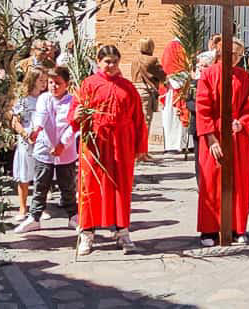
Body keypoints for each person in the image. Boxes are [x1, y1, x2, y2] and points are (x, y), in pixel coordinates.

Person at [69, 45, 147, 256]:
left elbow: (138, 119)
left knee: (121, 189)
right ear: (98, 61)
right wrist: (77, 115)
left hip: (121, 144)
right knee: (90, 187)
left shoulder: (128, 88)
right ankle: (87, 233)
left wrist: (140, 147)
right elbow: (74, 116)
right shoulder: (87, 85)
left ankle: (122, 231)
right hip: (95, 143)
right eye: (107, 62)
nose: (111, 66)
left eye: (114, 61)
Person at [196, 38, 249, 247]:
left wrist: (242, 123)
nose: (236, 58)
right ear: (221, 53)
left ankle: (237, 227)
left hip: (237, 136)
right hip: (215, 135)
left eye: (239, 54)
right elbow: (202, 108)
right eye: (232, 53)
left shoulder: (244, 77)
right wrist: (211, 138)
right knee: (212, 183)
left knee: (238, 182)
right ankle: (209, 230)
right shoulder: (208, 75)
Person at [14, 66, 78, 234]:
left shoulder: (72, 101)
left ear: (67, 84)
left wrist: (62, 144)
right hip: (44, 149)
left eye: (58, 83)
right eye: (51, 82)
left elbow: (72, 126)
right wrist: (35, 131)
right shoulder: (44, 98)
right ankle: (34, 218)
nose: (53, 86)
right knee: (41, 185)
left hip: (65, 151)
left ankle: (73, 216)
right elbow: (40, 117)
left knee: (67, 186)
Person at [11, 68, 48, 222]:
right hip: (26, 139)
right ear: (32, 80)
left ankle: (39, 207)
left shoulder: (45, 98)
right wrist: (25, 134)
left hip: (42, 139)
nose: (44, 84)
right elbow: (15, 121)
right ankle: (22, 207)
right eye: (41, 80)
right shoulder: (23, 100)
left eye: (45, 81)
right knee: (24, 174)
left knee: (41, 175)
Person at [186, 50, 215, 188]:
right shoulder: (194, 83)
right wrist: (199, 109)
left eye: (204, 66)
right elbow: (188, 102)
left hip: (212, 124)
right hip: (197, 123)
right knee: (198, 157)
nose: (200, 69)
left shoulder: (214, 81)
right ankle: (200, 183)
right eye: (199, 66)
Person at [131, 37, 167, 131]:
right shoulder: (152, 60)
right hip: (146, 92)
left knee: (136, 120)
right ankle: (142, 144)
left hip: (135, 90)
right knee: (145, 121)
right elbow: (162, 75)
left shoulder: (134, 60)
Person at [161, 36, 189, 153]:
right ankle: (182, 144)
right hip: (180, 90)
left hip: (170, 92)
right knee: (178, 118)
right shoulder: (181, 49)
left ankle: (172, 145)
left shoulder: (168, 49)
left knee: (171, 119)